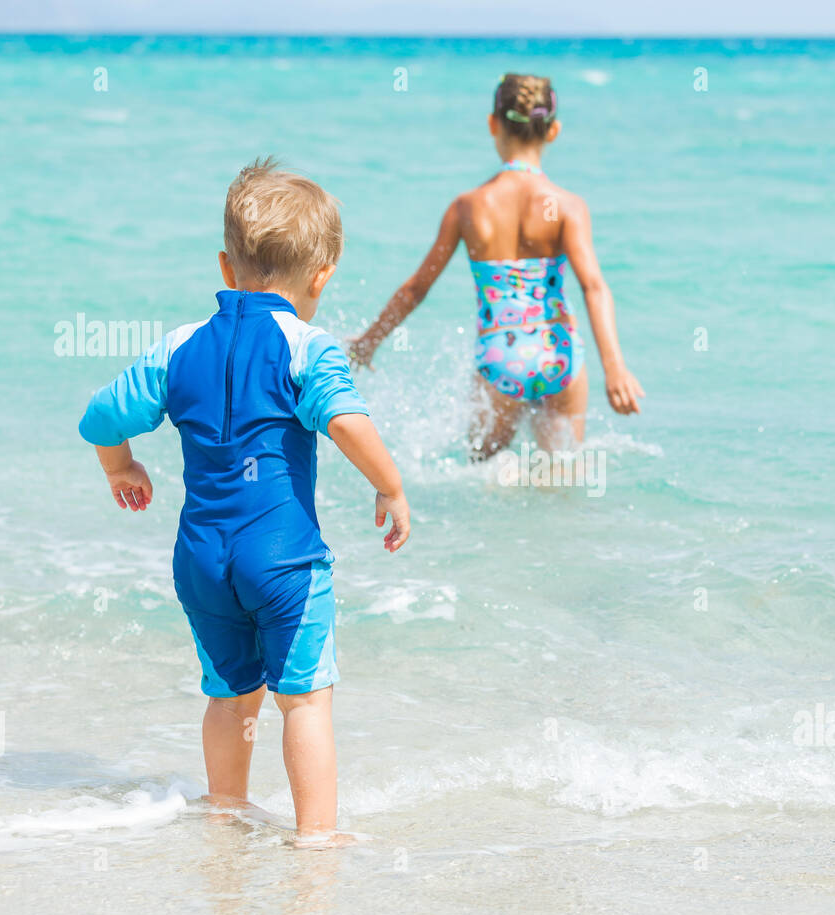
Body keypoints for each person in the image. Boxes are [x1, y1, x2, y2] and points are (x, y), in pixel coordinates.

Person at [77, 158, 410, 845]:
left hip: (202, 560)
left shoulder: (179, 346)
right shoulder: (307, 346)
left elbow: (100, 415)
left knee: (230, 697)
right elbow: (347, 422)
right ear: (320, 278)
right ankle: (316, 836)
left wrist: (122, 467)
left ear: (227, 268)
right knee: (304, 702)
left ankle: (225, 813)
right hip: (282, 559)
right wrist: (391, 485)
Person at [348, 72, 644, 459]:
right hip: (559, 356)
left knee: (481, 470)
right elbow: (594, 287)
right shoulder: (567, 206)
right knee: (564, 477)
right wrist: (615, 368)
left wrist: (370, 342)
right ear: (553, 131)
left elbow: (416, 289)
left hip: (501, 358)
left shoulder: (469, 207)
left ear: (493, 124)